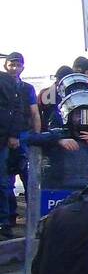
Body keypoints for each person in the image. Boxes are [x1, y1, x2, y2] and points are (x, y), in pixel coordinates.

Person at [1, 52, 40, 238]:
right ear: (5, 65)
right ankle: (9, 218)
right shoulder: (2, 83)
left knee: (29, 178)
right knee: (6, 180)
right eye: (11, 64)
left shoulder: (27, 88)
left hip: (23, 137)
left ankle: (35, 217)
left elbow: (34, 113)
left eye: (17, 65)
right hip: (5, 137)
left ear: (23, 67)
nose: (14, 68)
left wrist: (37, 138)